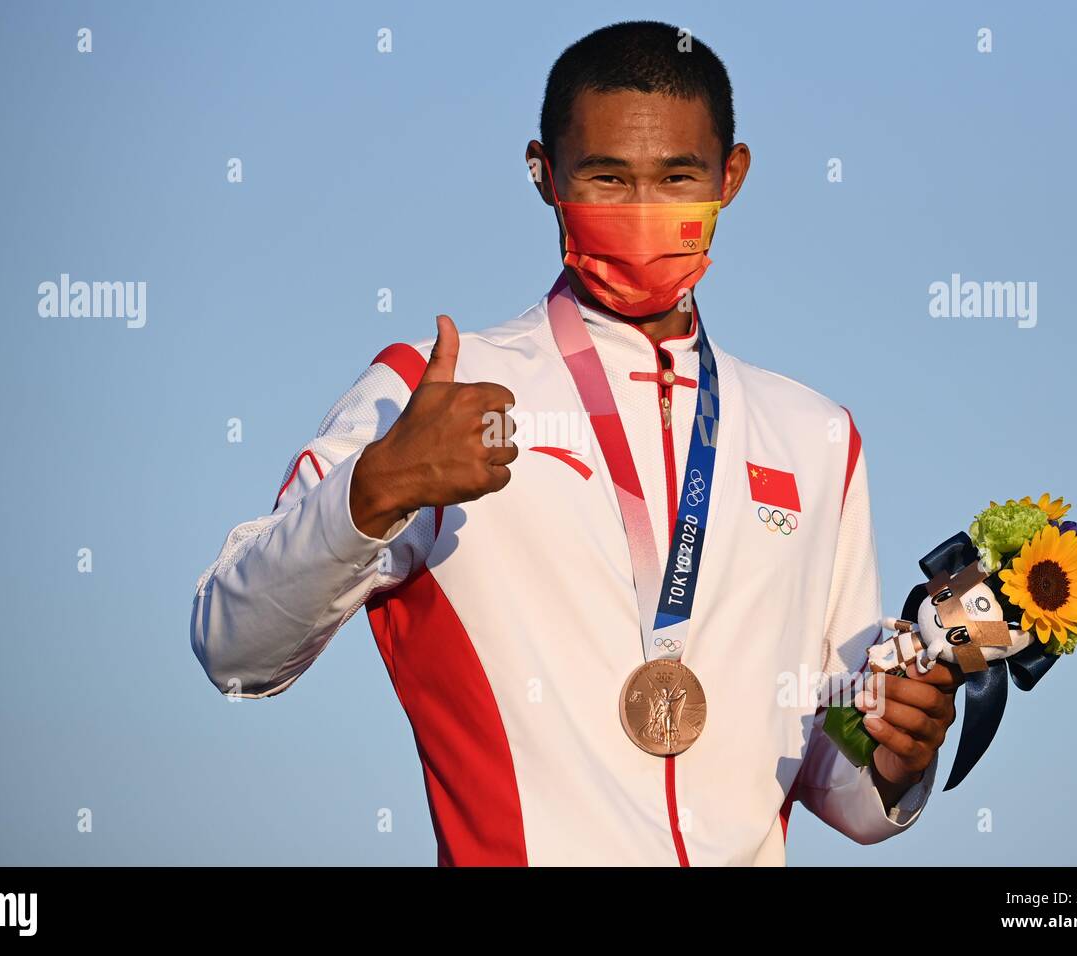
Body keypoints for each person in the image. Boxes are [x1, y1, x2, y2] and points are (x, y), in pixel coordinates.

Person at [190, 20, 959, 866]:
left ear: (730, 177)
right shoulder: (432, 391)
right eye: (606, 178)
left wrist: (895, 753)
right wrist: (368, 493)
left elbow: (824, 769)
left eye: (677, 178)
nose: (641, 213)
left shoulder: (817, 437)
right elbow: (233, 650)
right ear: (544, 175)